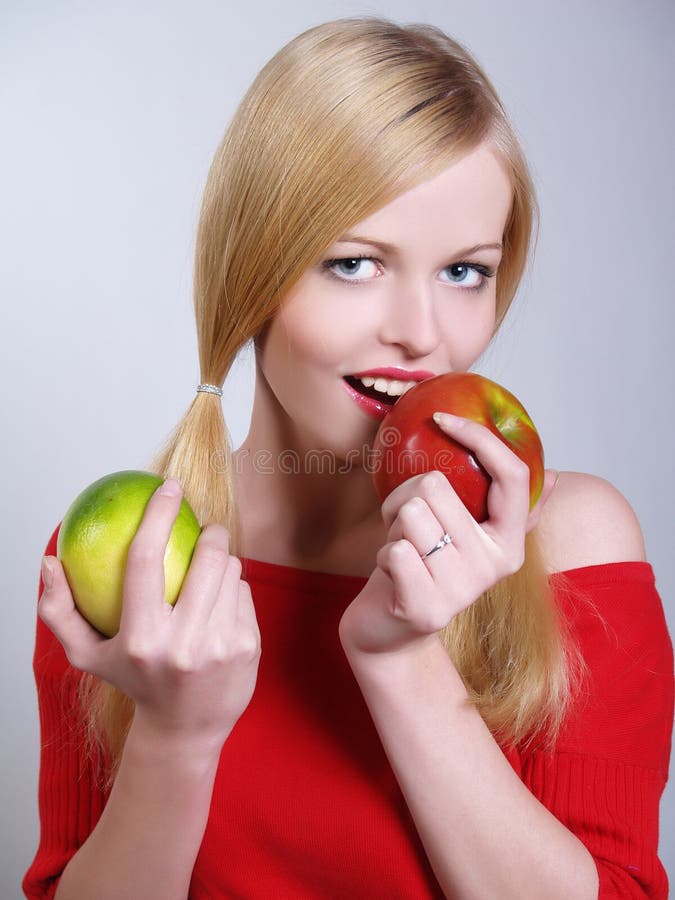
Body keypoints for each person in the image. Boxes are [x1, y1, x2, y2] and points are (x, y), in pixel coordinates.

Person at [24, 17, 673, 900]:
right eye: (355, 263)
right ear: (252, 273)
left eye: (463, 273)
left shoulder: (567, 539)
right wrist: (173, 741)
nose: (420, 333)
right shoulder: (129, 555)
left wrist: (401, 658)